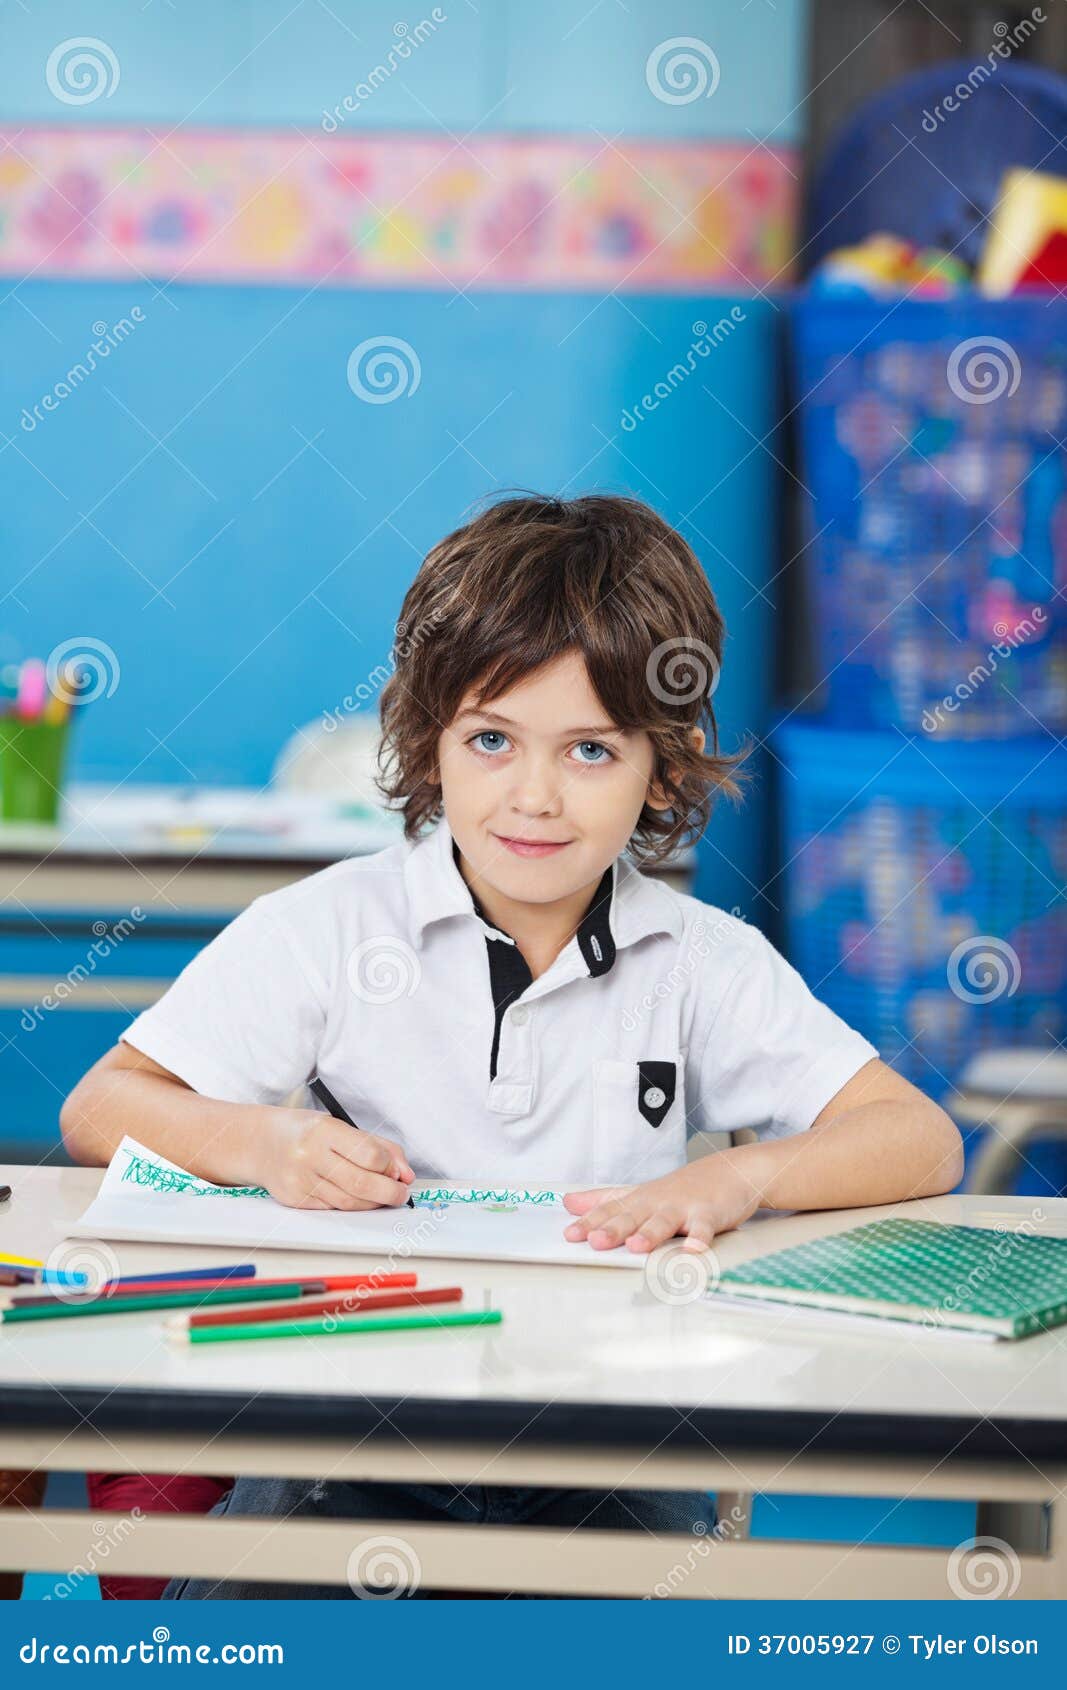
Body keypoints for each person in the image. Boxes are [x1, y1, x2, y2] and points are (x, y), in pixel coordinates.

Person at [61, 493, 964, 1598]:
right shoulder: (330, 926)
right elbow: (101, 1107)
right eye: (491, 739)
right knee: (250, 1621)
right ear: (428, 741)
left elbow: (916, 1139)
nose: (532, 796)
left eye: (589, 748)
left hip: (610, 1441)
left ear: (661, 766)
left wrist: (743, 1172)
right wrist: (260, 1143)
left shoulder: (698, 957)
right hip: (350, 1429)